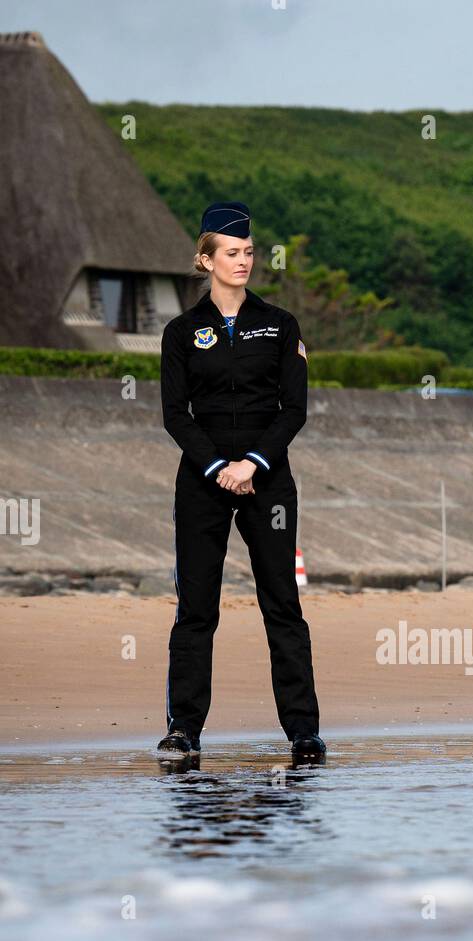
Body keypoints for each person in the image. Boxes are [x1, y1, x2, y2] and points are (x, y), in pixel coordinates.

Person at [156, 200, 325, 766]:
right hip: (202, 479)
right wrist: (217, 469)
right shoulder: (181, 332)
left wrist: (252, 463)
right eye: (231, 253)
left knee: (282, 603)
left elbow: (294, 410)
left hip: (268, 479)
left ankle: (304, 732)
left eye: (248, 252)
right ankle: (183, 731)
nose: (243, 261)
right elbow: (174, 414)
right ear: (205, 259)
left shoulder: (281, 325)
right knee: (196, 608)